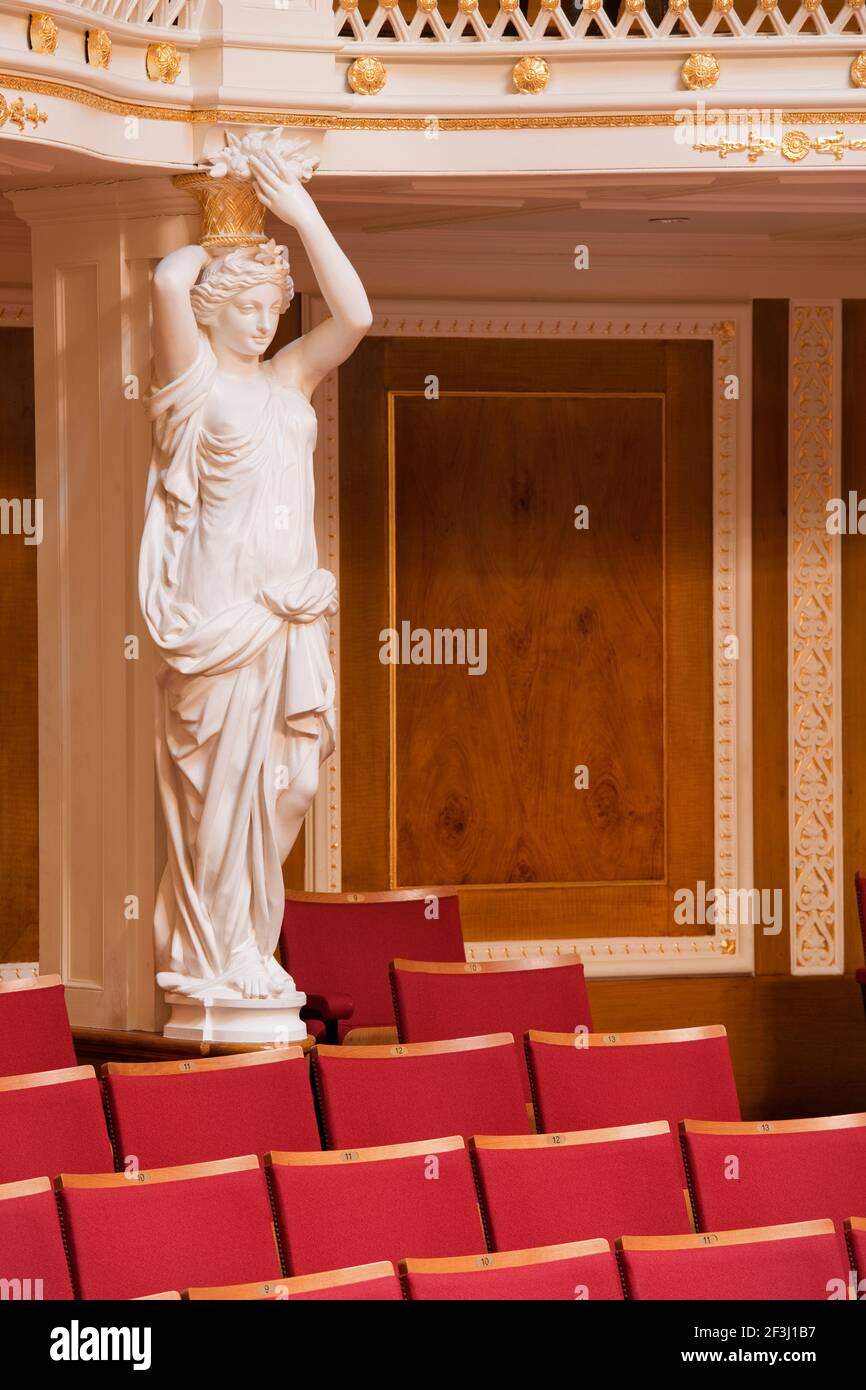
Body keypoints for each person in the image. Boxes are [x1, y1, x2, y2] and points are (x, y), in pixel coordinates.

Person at [139, 150, 371, 1002]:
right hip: (221, 617)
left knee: (297, 780)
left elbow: (354, 314)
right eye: (245, 306)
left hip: (291, 620)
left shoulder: (290, 381)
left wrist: (301, 216)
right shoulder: (194, 387)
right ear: (212, 314)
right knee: (219, 791)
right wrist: (231, 210)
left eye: (273, 306)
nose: (264, 321)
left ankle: (247, 936)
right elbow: (168, 276)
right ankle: (217, 952)